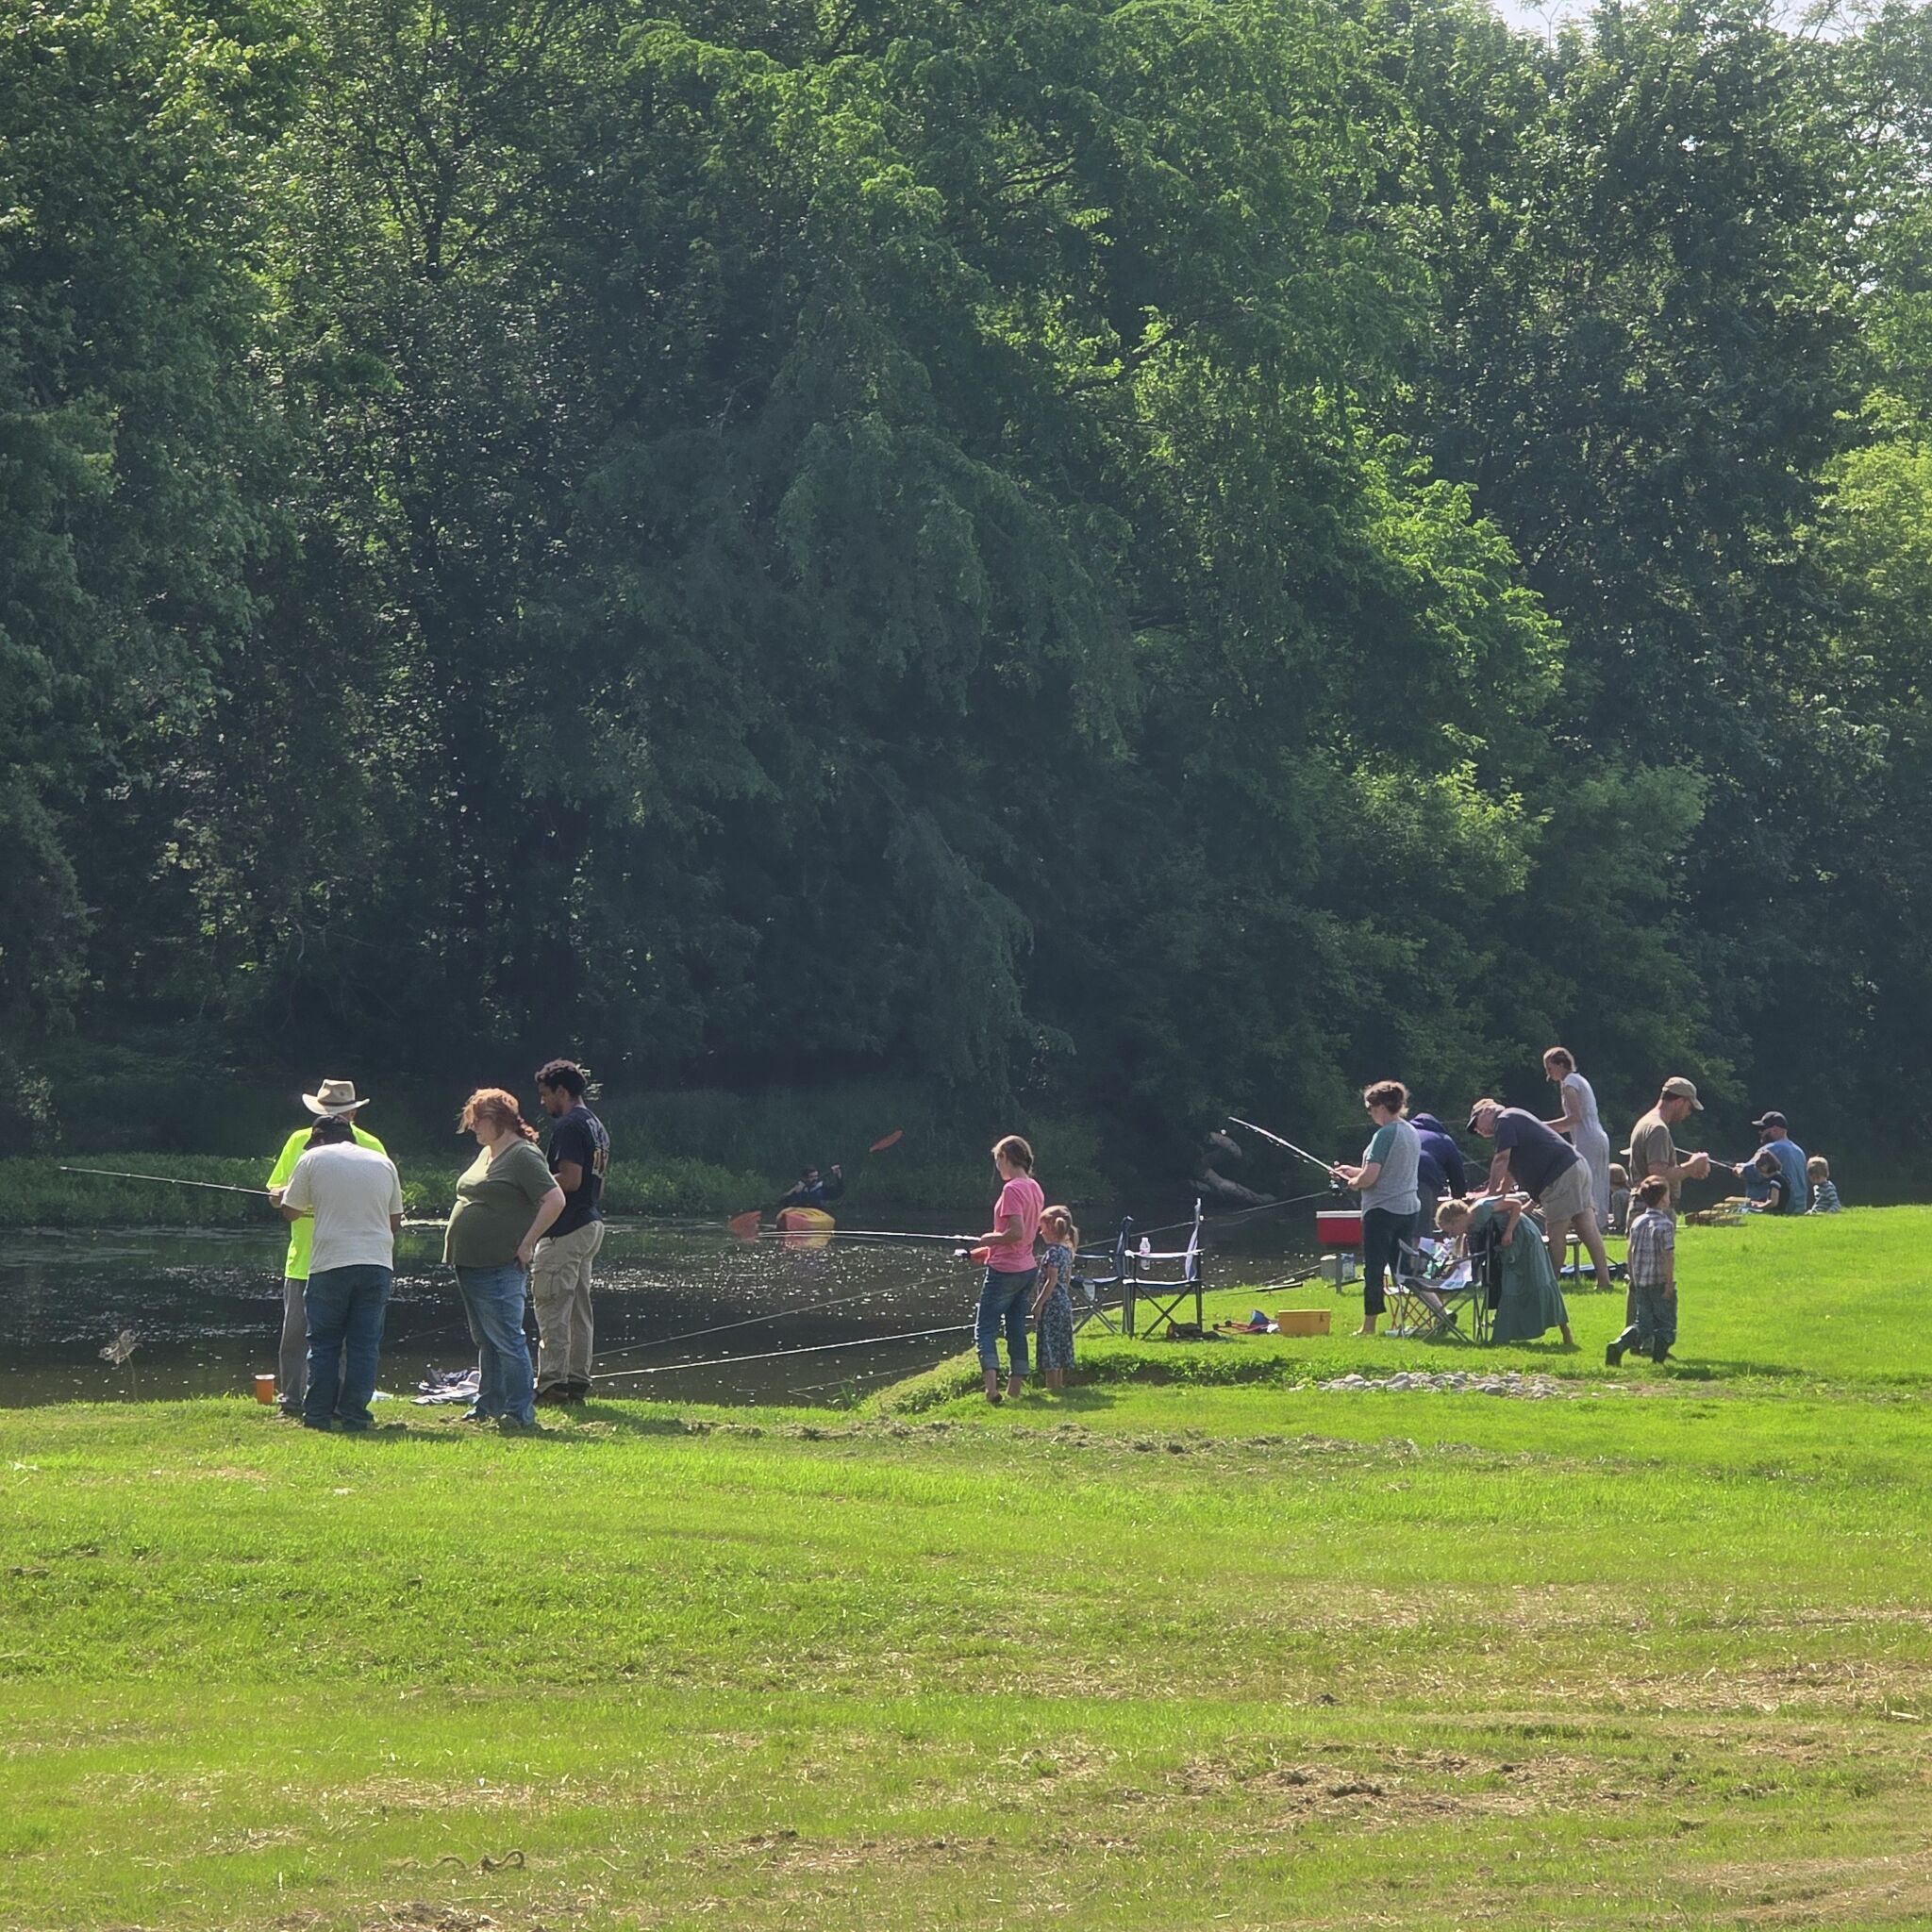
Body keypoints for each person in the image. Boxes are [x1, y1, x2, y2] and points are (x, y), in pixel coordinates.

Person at [443, 1088, 566, 1431]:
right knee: (486, 1338)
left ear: (497, 1120)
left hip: (498, 1262)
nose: (473, 1129)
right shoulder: (489, 1153)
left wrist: (528, 1243)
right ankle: (488, 1404)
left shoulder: (523, 1155)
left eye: (477, 1121)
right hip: (470, 1260)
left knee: (508, 1339)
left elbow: (554, 1199)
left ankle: (519, 1413)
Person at [274, 1114, 405, 1431]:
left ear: (320, 1139)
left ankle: (317, 1415)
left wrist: (285, 1199)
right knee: (364, 1345)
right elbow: (395, 1221)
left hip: (331, 1263)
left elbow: (291, 1212)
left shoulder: (311, 1158)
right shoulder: (383, 1162)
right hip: (377, 1264)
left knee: (324, 1343)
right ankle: (356, 1416)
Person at [1467, 1098, 1613, 1295]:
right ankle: (1604, 1281)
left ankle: (1549, 1285)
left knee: (1555, 1235)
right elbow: (1510, 1172)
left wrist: (1489, 1193)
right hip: (1575, 1166)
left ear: (1486, 1111)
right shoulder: (1514, 1119)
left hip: (1559, 1175)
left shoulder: (1504, 1120)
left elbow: (1502, 1159)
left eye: (1475, 1124)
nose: (1477, 1130)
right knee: (1586, 1228)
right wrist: (1498, 1194)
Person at [531, 1058, 611, 1407]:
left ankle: (552, 1385)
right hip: (591, 1221)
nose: (543, 1102)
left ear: (562, 1091)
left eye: (546, 1094)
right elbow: (595, 1184)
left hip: (566, 1227)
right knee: (579, 1309)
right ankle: (577, 1380)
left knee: (552, 1306)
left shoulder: (569, 1125)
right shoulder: (597, 1125)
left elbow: (571, 1179)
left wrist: (530, 1185)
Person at [1331, 1081, 1422, 1338]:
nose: (1369, 1112)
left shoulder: (1384, 1135)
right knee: (1403, 1270)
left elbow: (1370, 1180)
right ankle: (1440, 1312)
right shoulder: (1410, 1131)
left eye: (1370, 1107)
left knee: (1374, 1267)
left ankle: (1368, 1326)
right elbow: (1388, 1173)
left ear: (1382, 1106)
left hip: (1382, 1212)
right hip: (1408, 1209)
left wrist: (1352, 1182)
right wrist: (1354, 1171)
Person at [1434, 1193, 1574, 1346]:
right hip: (1508, 1248)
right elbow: (1466, 1249)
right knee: (1510, 1286)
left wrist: (1509, 1231)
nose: (1451, 1234)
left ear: (1458, 1219)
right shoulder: (1472, 1226)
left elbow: (1516, 1205)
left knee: (1540, 1280)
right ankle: (1503, 1336)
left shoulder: (1482, 1208)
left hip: (1525, 1238)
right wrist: (1453, 1266)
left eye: (1450, 1230)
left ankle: (1565, 1331)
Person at [966, 1135, 1044, 1404]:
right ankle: (1014, 1391)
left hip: (1005, 1272)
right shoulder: (1034, 1187)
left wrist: (990, 1239)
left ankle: (991, 1391)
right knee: (1016, 1329)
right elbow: (1024, 1238)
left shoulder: (1012, 1189)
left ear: (1005, 1158)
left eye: (997, 1159)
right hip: (1027, 1270)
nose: (997, 1166)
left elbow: (1015, 1233)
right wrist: (987, 1251)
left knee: (985, 1328)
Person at [1606, 1175, 1675, 1365]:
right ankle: (1658, 1360)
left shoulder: (1637, 1222)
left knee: (1641, 1324)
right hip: (1659, 1281)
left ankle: (1619, 1345)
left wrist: (1633, 1276)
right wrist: (1669, 1283)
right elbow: (1668, 1256)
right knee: (1666, 1324)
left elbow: (1630, 1251)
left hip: (1641, 1282)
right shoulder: (1665, 1225)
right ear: (1663, 1199)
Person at [1542, 1048, 1613, 1225]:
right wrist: (1554, 1129)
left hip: (1588, 1140)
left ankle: (1593, 1223)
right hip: (1597, 1136)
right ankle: (1600, 1222)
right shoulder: (1579, 1079)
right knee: (1598, 1181)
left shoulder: (1569, 1084)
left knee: (1587, 1182)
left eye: (1550, 1068)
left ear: (1561, 1064)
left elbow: (1575, 1117)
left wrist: (1541, 1126)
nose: (1548, 1074)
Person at [1627, 1077, 1714, 1210]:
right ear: (1679, 1102)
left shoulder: (1647, 1122)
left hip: (1643, 1206)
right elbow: (1658, 1177)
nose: (1688, 1113)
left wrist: (1689, 1171)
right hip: (1652, 1210)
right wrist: (1691, 1167)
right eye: (1689, 1107)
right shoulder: (1658, 1128)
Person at [1031, 1206, 1079, 1392]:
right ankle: (1059, 1384)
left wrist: (1038, 1304)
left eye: (1042, 1227)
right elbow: (1065, 1279)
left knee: (1049, 1344)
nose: (1040, 1231)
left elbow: (1051, 1281)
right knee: (1060, 1344)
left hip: (1051, 1305)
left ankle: (1051, 1386)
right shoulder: (1067, 1250)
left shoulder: (1052, 1253)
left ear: (1052, 1228)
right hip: (1063, 1303)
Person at [1726, 1112, 1808, 1214]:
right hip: (1798, 1208)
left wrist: (1739, 1169)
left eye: (1762, 1129)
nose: (1760, 1133)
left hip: (1777, 1208)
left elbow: (1753, 1172)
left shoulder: (1770, 1149)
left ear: (1774, 1129)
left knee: (1730, 1211)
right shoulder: (1799, 1151)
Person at [1409, 1112, 1467, 1224]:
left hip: (1395, 1181)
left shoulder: (1403, 1133)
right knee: (1422, 1227)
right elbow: (1456, 1171)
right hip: (1424, 1178)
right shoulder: (1444, 1139)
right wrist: (1458, 1197)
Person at [1743, 1147, 1793, 1213]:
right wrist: (1759, 1203)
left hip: (1777, 1212)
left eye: (1759, 1168)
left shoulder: (1775, 1181)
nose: (1760, 1173)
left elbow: (1773, 1203)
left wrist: (1757, 1207)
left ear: (1765, 1166)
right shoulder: (1782, 1177)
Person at [776, 1165, 844, 1212]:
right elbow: (782, 1202)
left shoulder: (822, 1188)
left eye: (816, 1176)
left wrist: (839, 1178)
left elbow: (839, 1192)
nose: (815, 1179)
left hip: (817, 1214)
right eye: (811, 1177)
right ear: (804, 1178)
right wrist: (794, 1192)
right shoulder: (798, 1187)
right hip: (801, 1214)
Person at [1607, 1163, 1632, 1237]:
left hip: (1622, 1229)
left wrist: (1605, 1223)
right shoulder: (1628, 1192)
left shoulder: (1616, 1196)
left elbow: (1617, 1222)